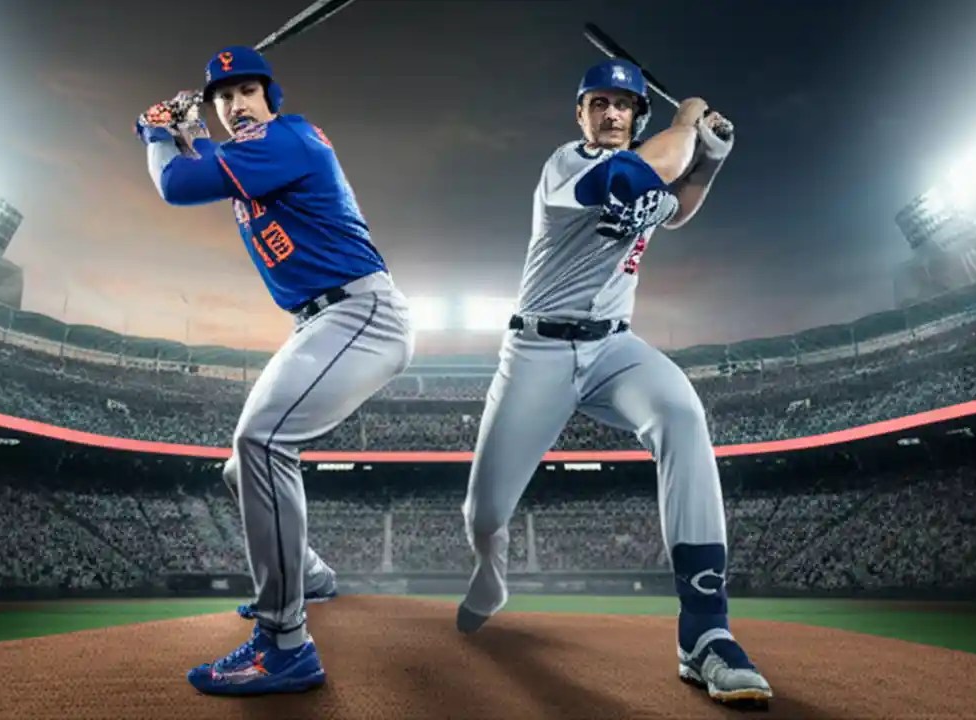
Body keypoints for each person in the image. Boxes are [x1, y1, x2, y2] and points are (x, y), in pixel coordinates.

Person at [454, 59, 772, 705]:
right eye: (597, 102)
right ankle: (492, 573)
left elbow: (673, 208)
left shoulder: (649, 157)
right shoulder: (568, 165)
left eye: (623, 104)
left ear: (635, 115)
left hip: (614, 349)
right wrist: (688, 118)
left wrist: (709, 158)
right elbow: (649, 174)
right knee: (485, 513)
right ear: (580, 114)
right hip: (537, 352)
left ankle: (705, 633)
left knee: (683, 416)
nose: (609, 113)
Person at [135, 45, 414, 696]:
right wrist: (179, 128)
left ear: (271, 97)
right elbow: (199, 162)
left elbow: (177, 182)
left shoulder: (289, 137)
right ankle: (309, 575)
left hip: (361, 313)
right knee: (243, 465)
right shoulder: (250, 152)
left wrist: (157, 131)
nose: (234, 103)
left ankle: (285, 644)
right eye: (222, 97)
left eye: (246, 91)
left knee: (261, 441)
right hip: (319, 321)